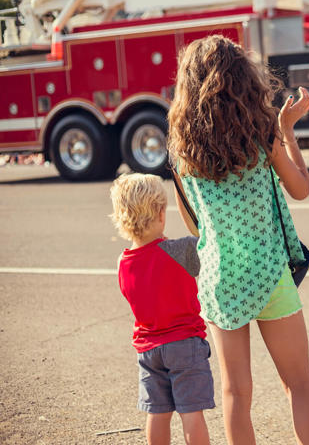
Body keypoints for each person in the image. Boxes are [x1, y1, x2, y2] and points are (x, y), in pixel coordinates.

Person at [167, 35, 309, 445]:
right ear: (245, 81)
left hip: (221, 280)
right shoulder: (262, 138)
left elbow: (194, 226)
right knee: (299, 384)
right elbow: (301, 189)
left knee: (236, 392)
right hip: (271, 273)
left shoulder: (183, 153)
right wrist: (286, 132)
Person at [109, 173, 214, 445]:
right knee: (191, 413)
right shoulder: (181, 250)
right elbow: (208, 243)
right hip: (185, 345)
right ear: (159, 213)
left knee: (157, 412)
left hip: (148, 349)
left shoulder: (123, 262)